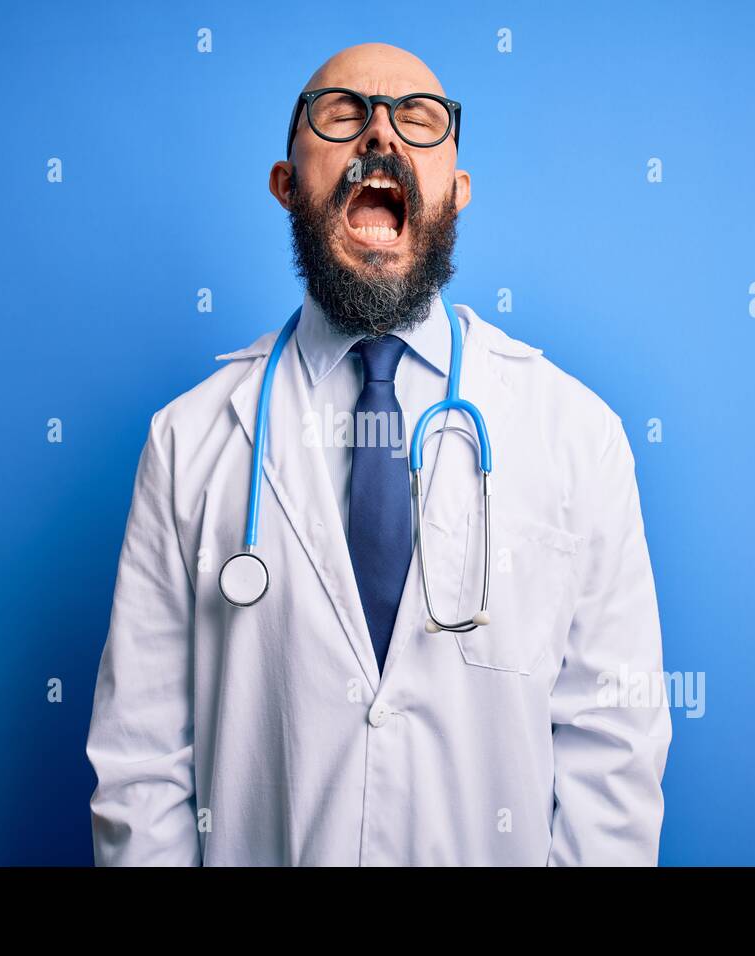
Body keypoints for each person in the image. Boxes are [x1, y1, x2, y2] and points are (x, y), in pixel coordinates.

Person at [85, 42, 672, 866]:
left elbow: (614, 755)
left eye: (419, 120)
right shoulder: (187, 442)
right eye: (342, 112)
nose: (381, 136)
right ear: (287, 184)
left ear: (456, 194)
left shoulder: (577, 434)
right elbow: (139, 767)